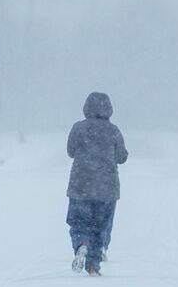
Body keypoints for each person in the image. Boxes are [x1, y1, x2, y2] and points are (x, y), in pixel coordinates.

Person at [66, 92, 128, 276]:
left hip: (80, 186)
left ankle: (81, 244)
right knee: (100, 226)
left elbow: (70, 151)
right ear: (109, 109)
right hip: (106, 189)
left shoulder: (78, 128)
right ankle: (93, 265)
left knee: (78, 221)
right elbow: (121, 157)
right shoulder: (113, 130)